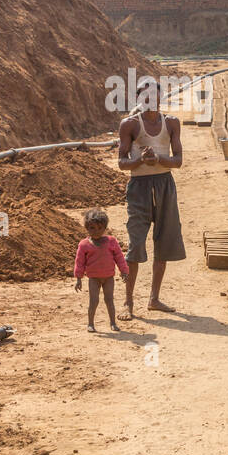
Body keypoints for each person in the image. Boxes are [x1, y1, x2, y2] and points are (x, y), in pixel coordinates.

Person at [117, 79, 186, 319]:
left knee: (163, 242)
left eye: (155, 97)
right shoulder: (129, 125)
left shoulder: (172, 123)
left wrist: (157, 158)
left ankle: (154, 299)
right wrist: (140, 162)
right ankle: (128, 302)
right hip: (139, 188)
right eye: (146, 97)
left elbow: (177, 161)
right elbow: (122, 162)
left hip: (165, 185)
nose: (151, 102)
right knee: (136, 243)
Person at [74, 208, 129, 333]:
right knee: (94, 301)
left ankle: (113, 323)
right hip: (93, 278)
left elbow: (119, 257)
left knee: (109, 300)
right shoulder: (84, 245)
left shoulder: (111, 241)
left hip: (109, 278)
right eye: (92, 228)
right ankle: (90, 323)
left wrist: (124, 271)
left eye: (100, 228)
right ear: (87, 228)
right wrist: (78, 278)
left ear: (105, 228)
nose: (97, 232)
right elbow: (79, 262)